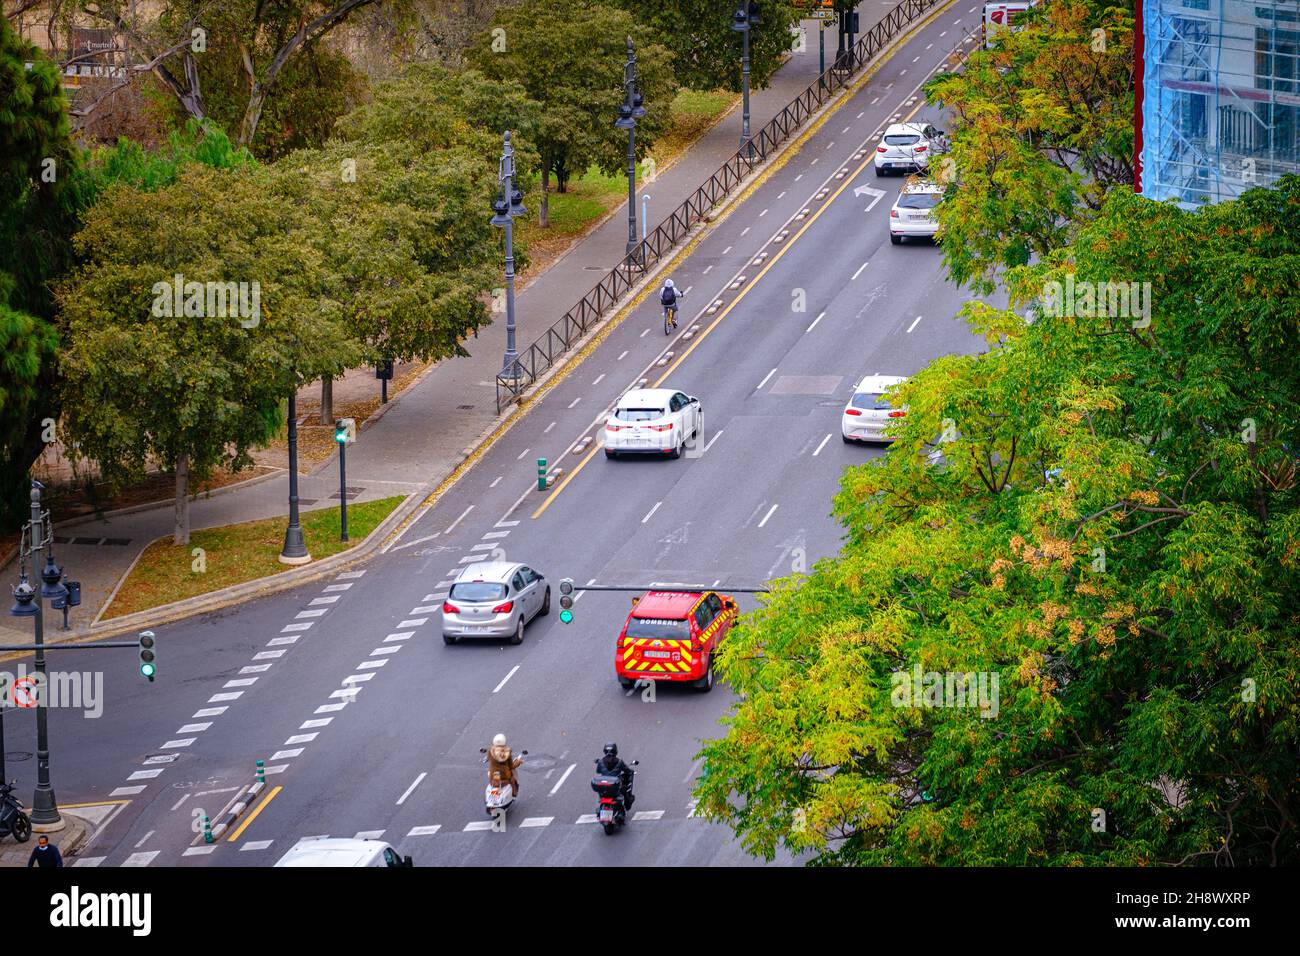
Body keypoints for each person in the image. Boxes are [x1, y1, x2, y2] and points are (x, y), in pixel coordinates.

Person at [594, 742, 635, 810]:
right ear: (615, 751)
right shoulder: (619, 761)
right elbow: (627, 770)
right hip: (615, 787)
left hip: (604, 787)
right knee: (625, 790)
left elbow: (598, 771)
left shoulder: (601, 761)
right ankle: (627, 805)